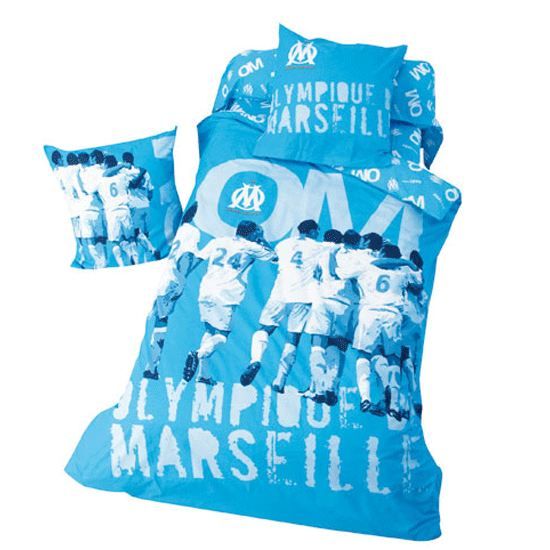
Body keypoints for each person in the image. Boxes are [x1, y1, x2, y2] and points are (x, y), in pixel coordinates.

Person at [184, 221, 276, 385]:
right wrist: (262, 239)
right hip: (226, 294)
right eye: (257, 233)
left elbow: (198, 258)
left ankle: (203, 375)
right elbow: (275, 258)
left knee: (209, 330)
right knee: (222, 335)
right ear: (252, 233)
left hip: (205, 290)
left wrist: (183, 276)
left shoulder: (218, 241)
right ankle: (198, 354)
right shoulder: (251, 247)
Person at [240, 219, 323, 392]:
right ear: (312, 231)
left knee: (265, 328)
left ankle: (255, 360)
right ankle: (280, 379)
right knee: (293, 338)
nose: (318, 234)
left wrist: (262, 239)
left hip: (279, 293)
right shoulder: (319, 247)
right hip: (302, 296)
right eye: (317, 231)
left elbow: (274, 256)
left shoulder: (284, 244)